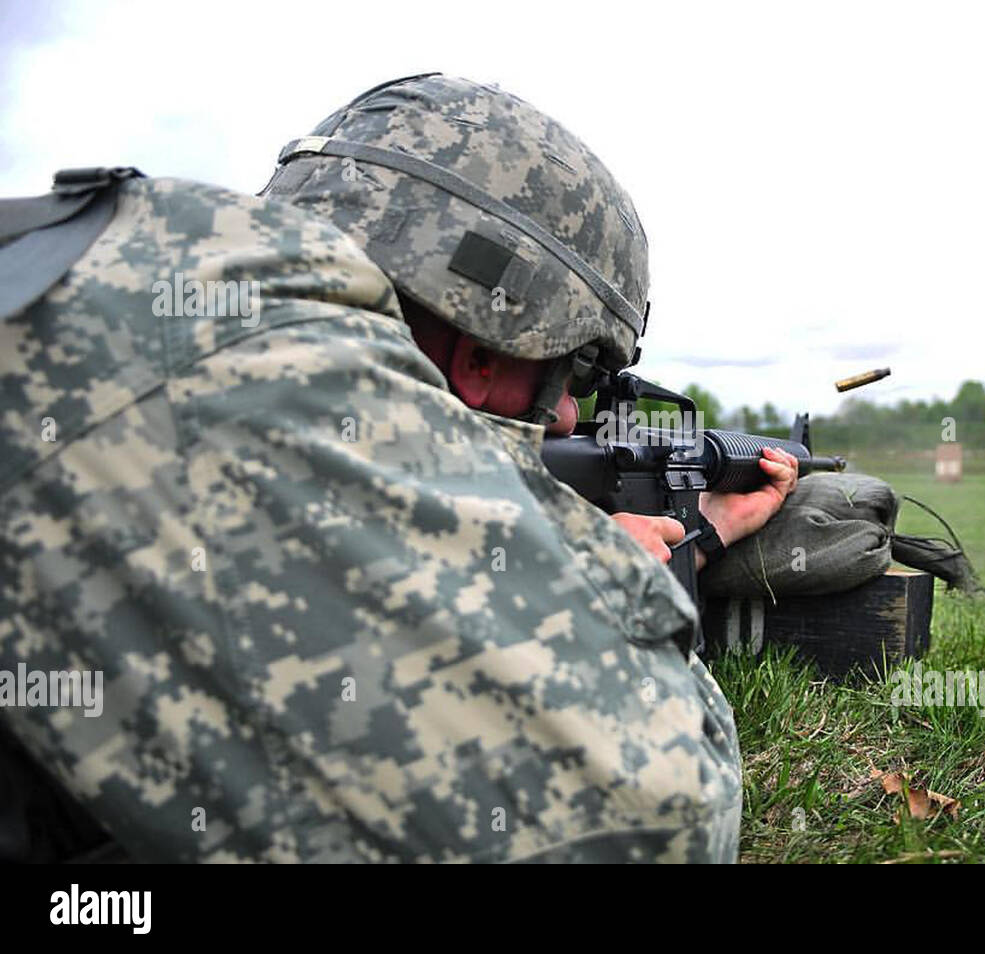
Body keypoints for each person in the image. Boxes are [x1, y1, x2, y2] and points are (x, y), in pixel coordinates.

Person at [0, 73, 797, 862]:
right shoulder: (271, 373)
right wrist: (599, 582)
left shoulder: (158, 275)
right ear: (485, 350)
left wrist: (704, 530)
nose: (565, 419)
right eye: (579, 378)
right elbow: (662, 821)